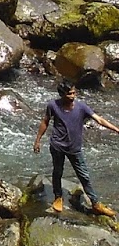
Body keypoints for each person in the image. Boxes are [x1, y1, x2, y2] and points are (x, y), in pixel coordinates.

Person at [34, 80, 119, 215]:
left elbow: (99, 119)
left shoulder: (81, 107)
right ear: (62, 94)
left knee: (84, 175)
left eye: (74, 93)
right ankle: (58, 198)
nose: (73, 96)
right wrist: (37, 140)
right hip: (57, 146)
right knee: (57, 172)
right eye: (69, 94)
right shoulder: (53, 105)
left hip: (74, 148)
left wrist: (116, 129)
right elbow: (45, 121)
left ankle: (95, 203)